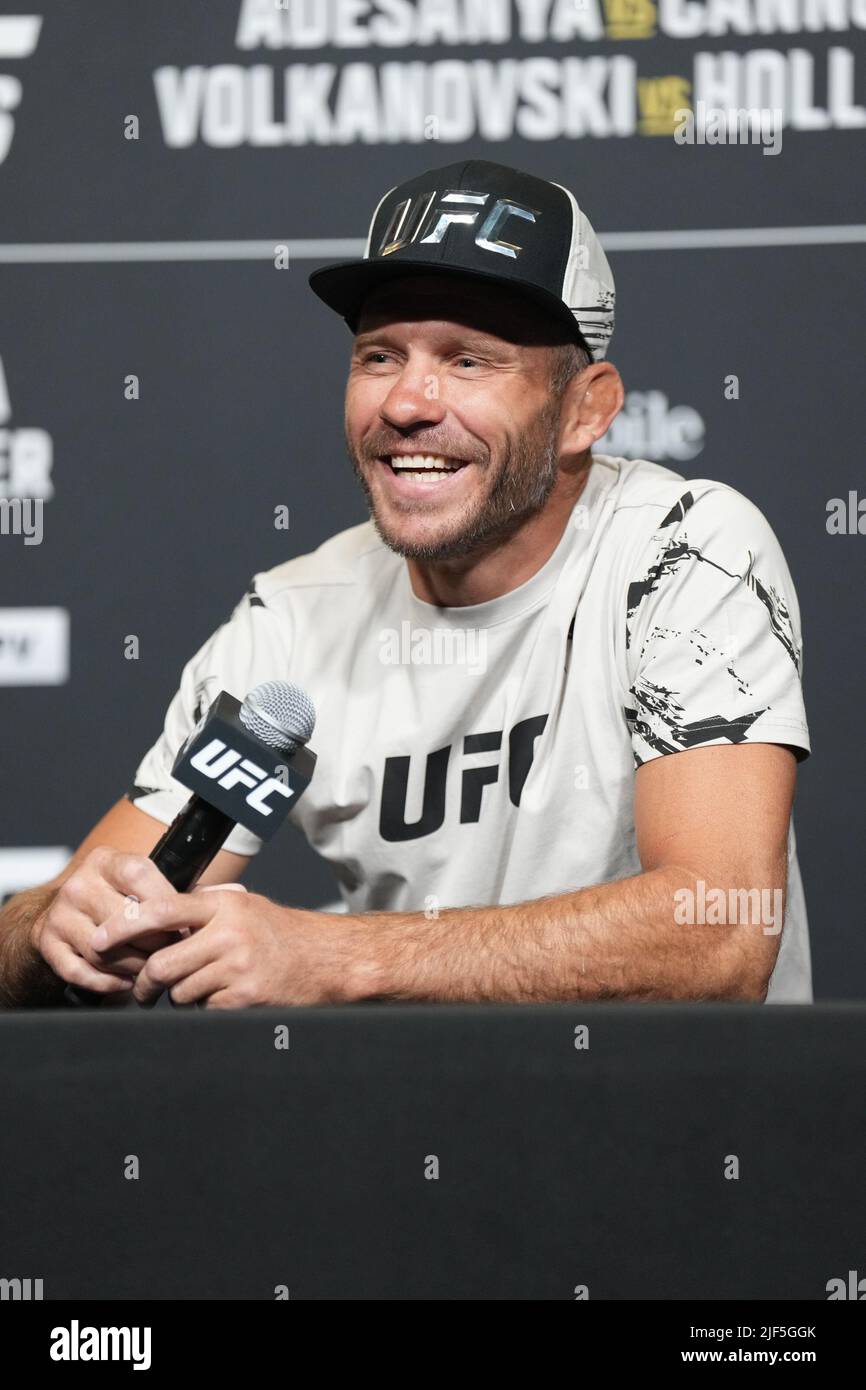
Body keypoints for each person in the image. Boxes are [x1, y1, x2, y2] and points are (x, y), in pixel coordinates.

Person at [0, 159, 811, 1009]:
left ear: (586, 411)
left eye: (469, 361)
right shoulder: (293, 620)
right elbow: (80, 918)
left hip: (680, 1125)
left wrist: (336, 956)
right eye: (380, 355)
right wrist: (51, 930)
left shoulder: (683, 549)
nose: (408, 403)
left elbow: (720, 933)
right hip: (411, 1120)